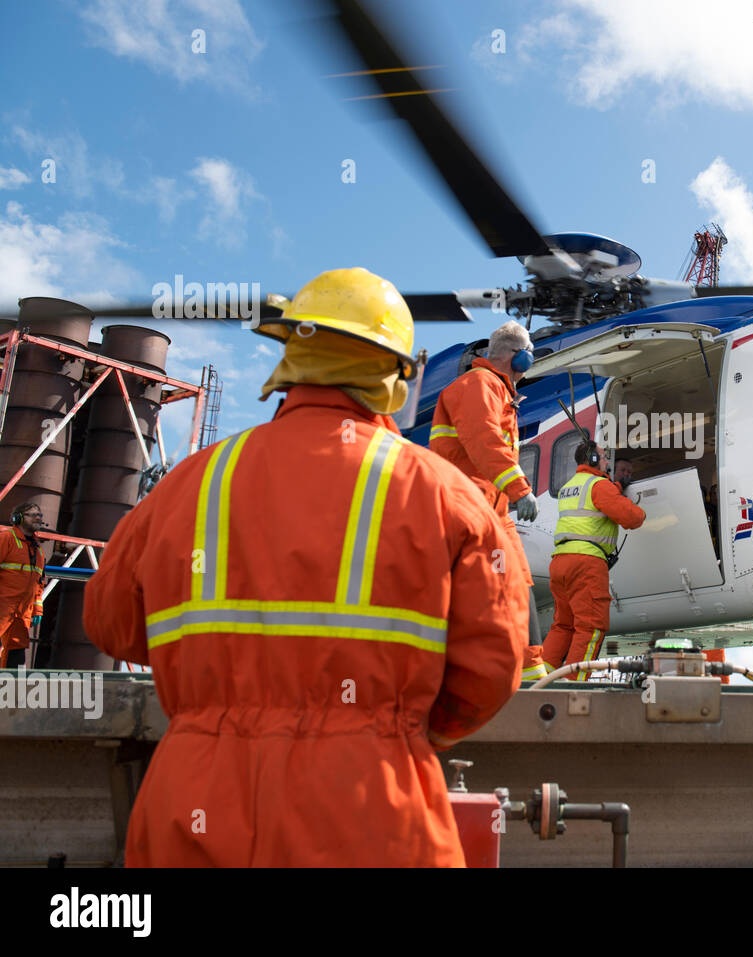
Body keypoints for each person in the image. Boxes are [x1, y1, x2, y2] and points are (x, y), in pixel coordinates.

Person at [83, 267, 528, 867]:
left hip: (195, 796)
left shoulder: (192, 483)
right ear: (396, 375)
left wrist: (208, 687)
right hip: (374, 805)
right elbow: (493, 664)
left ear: (291, 358)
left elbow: (112, 625)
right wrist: (393, 728)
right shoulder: (446, 496)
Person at [429, 320, 547, 680]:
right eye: (529, 351)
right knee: (472, 588)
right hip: (470, 504)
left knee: (519, 581)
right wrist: (520, 488)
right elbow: (483, 439)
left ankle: (531, 673)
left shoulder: (497, 390)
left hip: (493, 509)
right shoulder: (480, 385)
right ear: (519, 356)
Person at [542, 442, 645, 676]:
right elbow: (632, 518)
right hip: (586, 563)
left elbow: (595, 502)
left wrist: (616, 486)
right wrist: (640, 510)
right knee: (590, 628)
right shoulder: (599, 485)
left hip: (560, 561)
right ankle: (574, 687)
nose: (607, 462)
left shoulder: (572, 486)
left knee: (562, 626)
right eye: (604, 457)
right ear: (594, 461)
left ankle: (539, 680)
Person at [0, 503, 46, 669]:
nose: (37, 518)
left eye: (39, 515)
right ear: (17, 518)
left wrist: (37, 608)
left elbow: (39, 583)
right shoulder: (7, 538)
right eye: (32, 514)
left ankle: (11, 692)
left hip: (22, 613)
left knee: (17, 656)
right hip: (3, 606)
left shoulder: (38, 550)